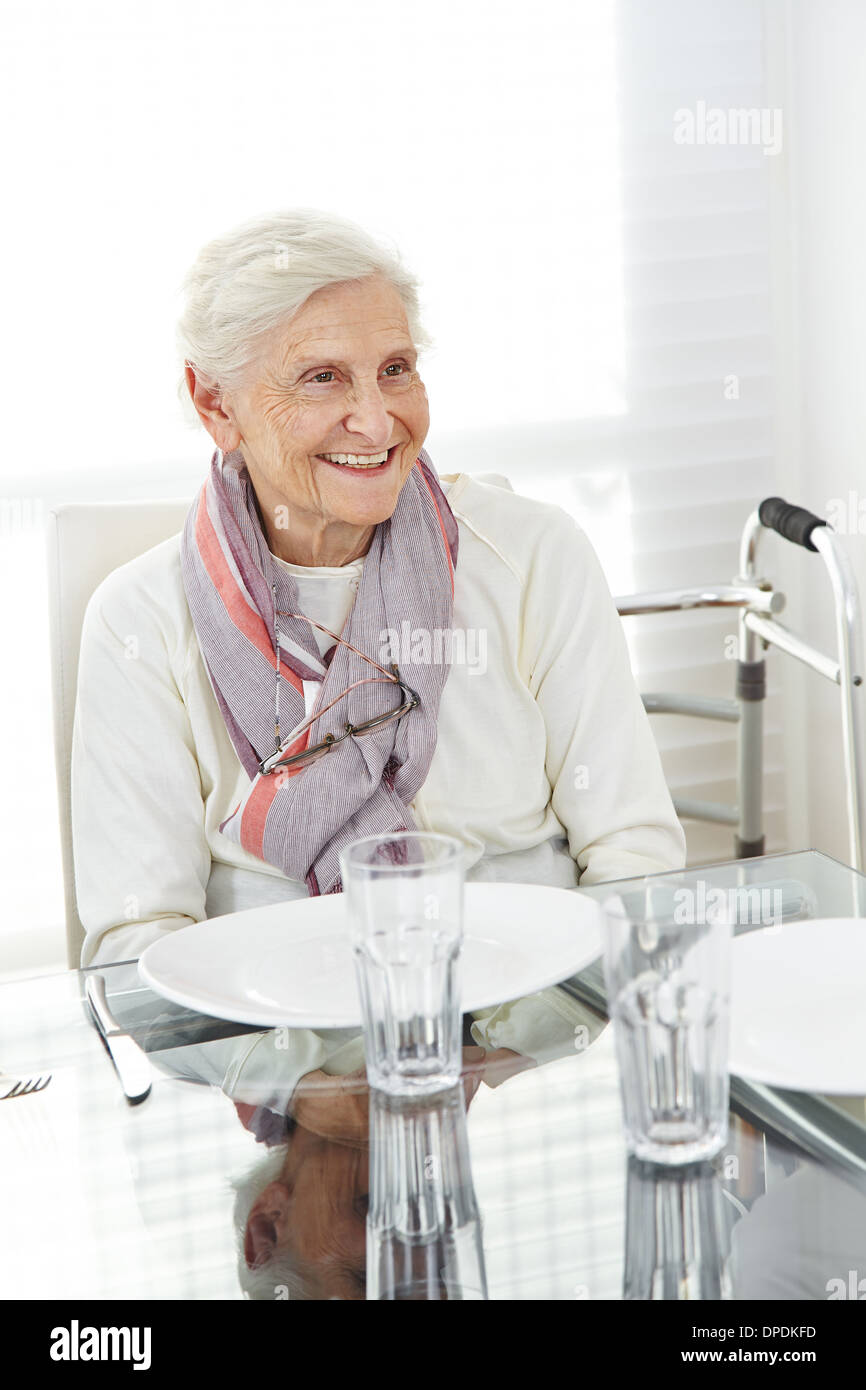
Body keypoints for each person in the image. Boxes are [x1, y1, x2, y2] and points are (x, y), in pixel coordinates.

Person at [71, 207, 686, 1080]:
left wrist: (536, 1057)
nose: (376, 419)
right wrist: (305, 1094)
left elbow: (634, 859)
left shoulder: (536, 556)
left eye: (395, 369)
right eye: (322, 378)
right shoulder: (138, 621)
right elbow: (140, 945)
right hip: (282, 1076)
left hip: (537, 1054)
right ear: (217, 403)